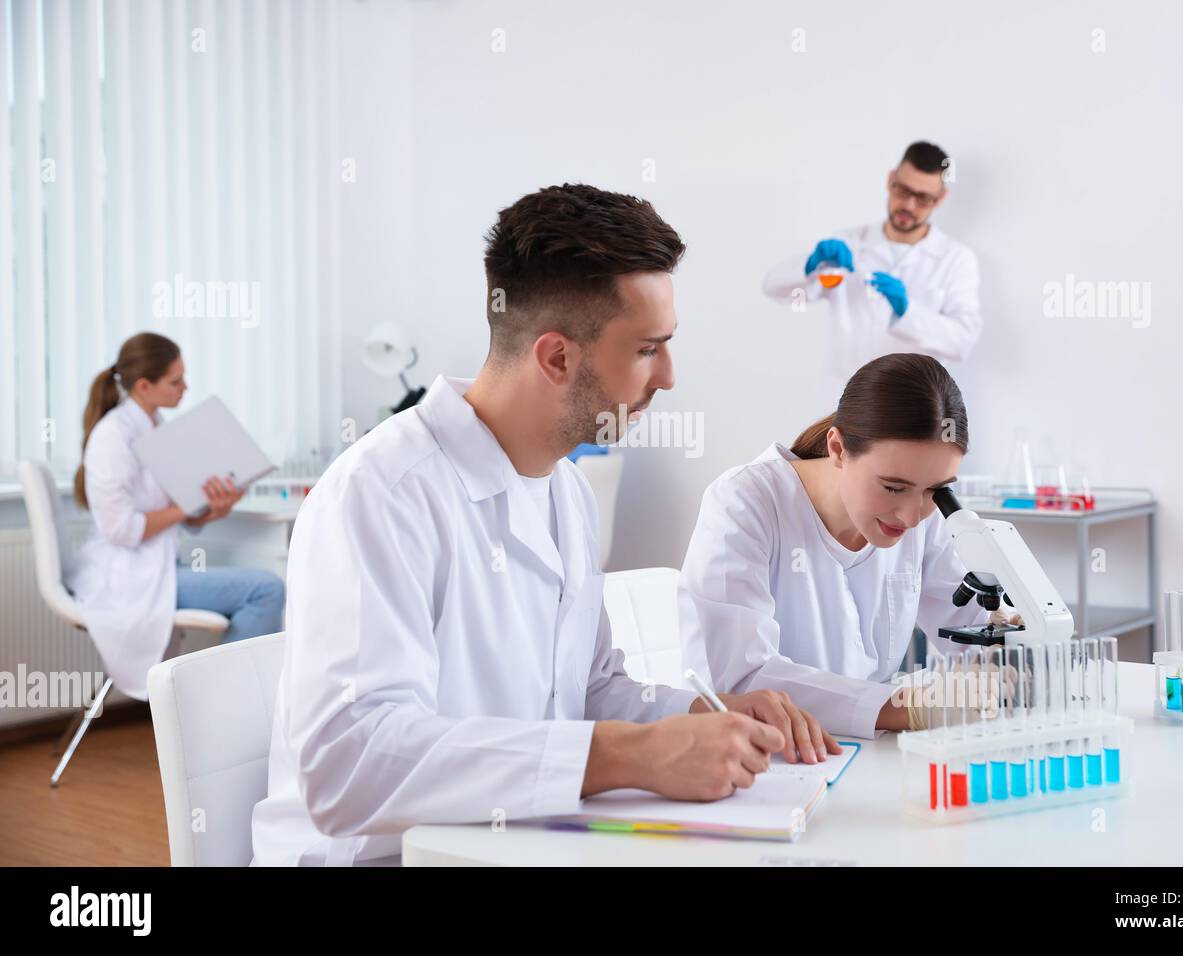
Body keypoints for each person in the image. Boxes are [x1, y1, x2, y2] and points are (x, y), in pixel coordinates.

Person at [251, 184, 838, 867]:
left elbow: (587, 690)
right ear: (557, 357)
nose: (670, 377)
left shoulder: (565, 489)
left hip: (515, 843)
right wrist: (629, 754)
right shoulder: (380, 494)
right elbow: (349, 767)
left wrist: (705, 714)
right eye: (649, 349)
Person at [678, 353, 1015, 739]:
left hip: (866, 754)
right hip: (758, 757)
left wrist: (1006, 654)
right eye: (892, 487)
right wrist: (910, 707)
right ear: (837, 449)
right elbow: (742, 678)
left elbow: (970, 629)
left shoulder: (926, 514)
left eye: (936, 491)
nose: (910, 515)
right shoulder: (744, 502)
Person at [71, 332, 285, 700]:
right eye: (175, 381)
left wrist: (214, 508)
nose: (185, 387)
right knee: (265, 590)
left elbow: (180, 516)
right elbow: (120, 529)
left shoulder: (157, 429)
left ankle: (233, 706)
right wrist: (187, 507)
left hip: (161, 566)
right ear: (143, 385)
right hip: (130, 577)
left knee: (263, 588)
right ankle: (233, 707)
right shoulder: (113, 438)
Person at [762, 142, 982, 407]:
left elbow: (962, 342)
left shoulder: (956, 259)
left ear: (941, 198)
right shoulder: (849, 243)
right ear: (891, 180)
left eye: (923, 198)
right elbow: (773, 288)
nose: (909, 206)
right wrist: (810, 264)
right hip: (843, 403)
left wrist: (907, 311)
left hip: (912, 407)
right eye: (903, 190)